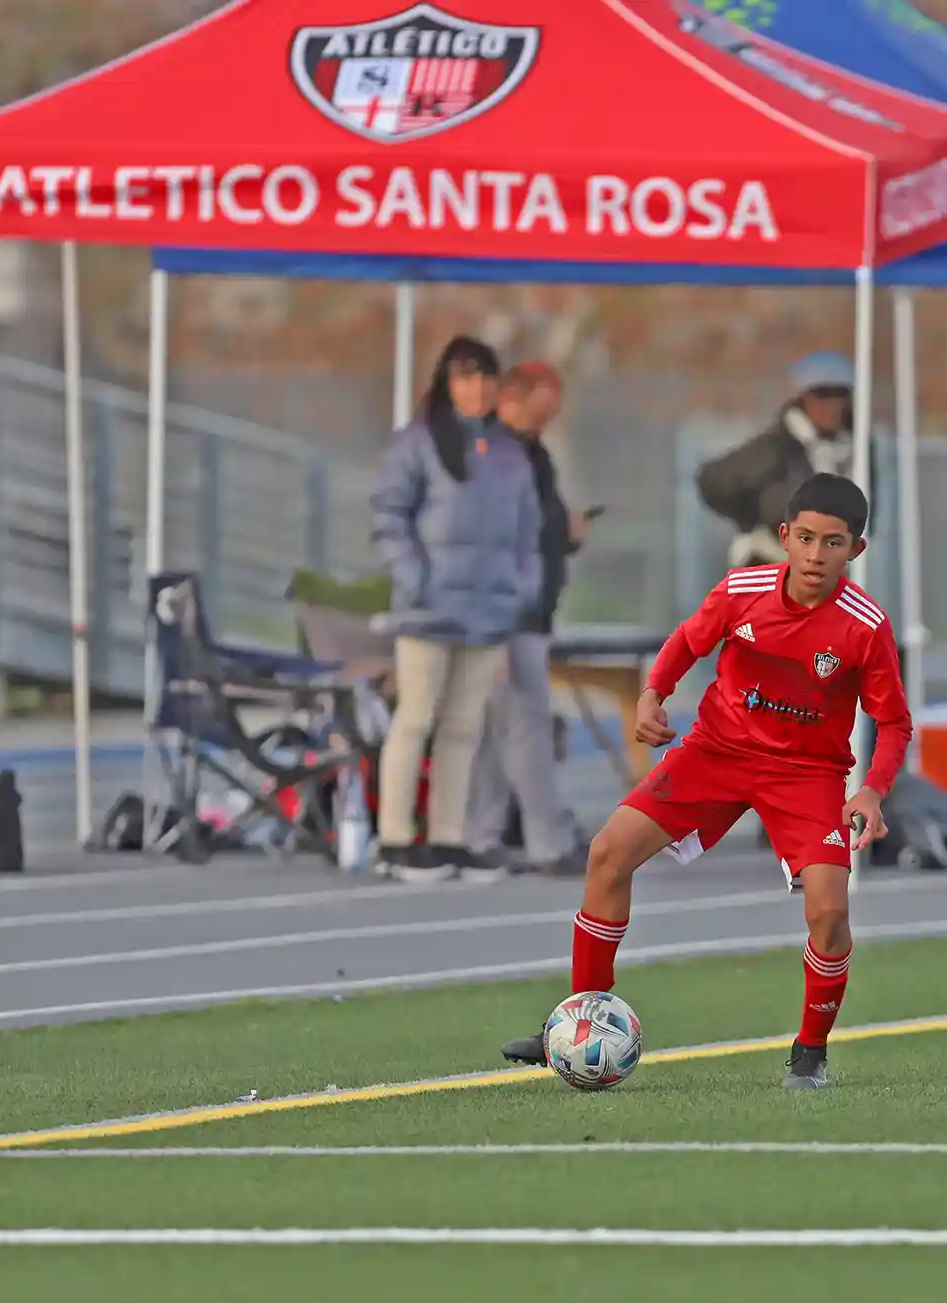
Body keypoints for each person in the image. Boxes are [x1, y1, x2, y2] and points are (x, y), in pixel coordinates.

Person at [501, 473, 910, 1091]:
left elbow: (895, 721)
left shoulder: (864, 626)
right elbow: (686, 642)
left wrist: (873, 789)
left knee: (829, 911)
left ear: (856, 550)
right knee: (608, 853)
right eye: (804, 539)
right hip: (715, 753)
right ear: (784, 538)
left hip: (806, 775)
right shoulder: (742, 590)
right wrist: (652, 695)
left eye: (833, 543)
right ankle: (581, 1020)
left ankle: (810, 1052)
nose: (815, 556)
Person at [370, 337, 543, 883]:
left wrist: (518, 589)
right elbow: (389, 515)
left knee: (464, 727)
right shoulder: (417, 444)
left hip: (488, 611)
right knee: (415, 718)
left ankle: (449, 837)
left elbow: (527, 533)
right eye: (466, 377)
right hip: (429, 610)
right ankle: (395, 838)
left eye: (486, 378)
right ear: (447, 384)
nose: (478, 389)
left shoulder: (511, 453)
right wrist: (416, 578)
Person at [466, 362, 589, 875]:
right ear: (517, 398)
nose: (549, 419)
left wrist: (569, 531)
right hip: (505, 611)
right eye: (544, 408)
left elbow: (541, 527)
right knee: (527, 726)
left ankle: (481, 833)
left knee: (503, 729)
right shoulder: (493, 453)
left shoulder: (531, 452)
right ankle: (546, 840)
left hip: (529, 609)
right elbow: (489, 538)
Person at [696, 352, 855, 570]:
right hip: (772, 565)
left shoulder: (854, 449)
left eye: (840, 394)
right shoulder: (774, 448)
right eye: (822, 394)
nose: (832, 403)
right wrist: (754, 519)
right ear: (803, 398)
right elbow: (712, 481)